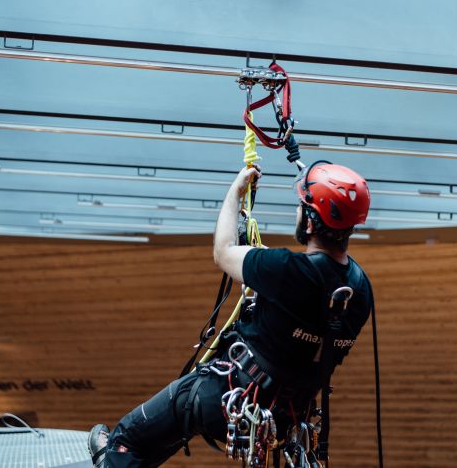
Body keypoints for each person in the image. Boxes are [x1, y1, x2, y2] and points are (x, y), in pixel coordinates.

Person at [89, 161, 373, 468]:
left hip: (224, 396)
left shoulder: (284, 270)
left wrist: (236, 192)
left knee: (126, 442)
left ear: (308, 223)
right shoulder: (360, 289)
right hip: (284, 417)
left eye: (300, 207)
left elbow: (222, 251)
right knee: (159, 440)